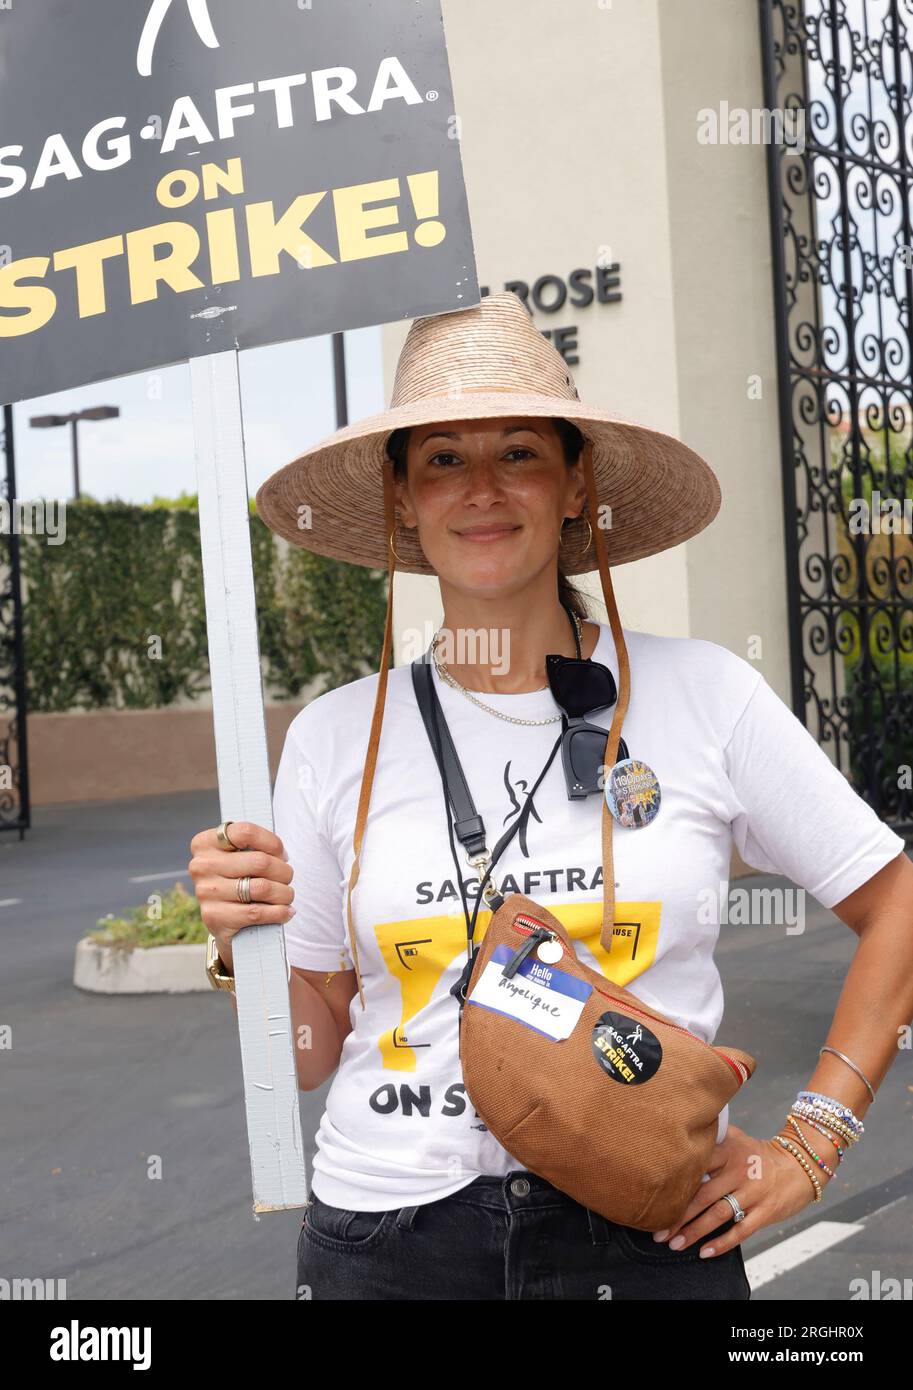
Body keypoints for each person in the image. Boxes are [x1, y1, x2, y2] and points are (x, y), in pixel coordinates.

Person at [188, 291, 913, 1301]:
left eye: (519, 451)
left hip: (648, 1229)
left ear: (576, 485)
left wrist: (811, 1139)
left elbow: (897, 903)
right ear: (400, 496)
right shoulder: (331, 734)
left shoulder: (704, 693)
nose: (481, 487)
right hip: (391, 1243)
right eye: (441, 457)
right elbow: (309, 1049)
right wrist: (242, 948)